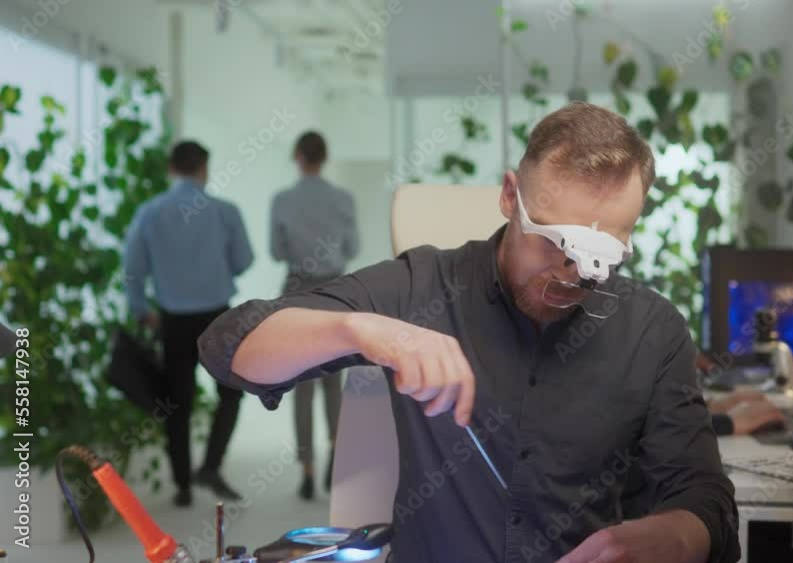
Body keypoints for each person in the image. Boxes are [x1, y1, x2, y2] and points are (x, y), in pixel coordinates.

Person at [199, 103, 740, 563]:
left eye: (599, 257)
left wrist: (671, 536)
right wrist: (360, 329)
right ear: (509, 196)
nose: (571, 274)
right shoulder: (424, 288)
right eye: (553, 243)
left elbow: (707, 500)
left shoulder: (650, 330)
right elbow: (229, 347)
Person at [125, 140, 254, 507]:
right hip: (218, 317)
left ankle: (182, 485)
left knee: (176, 403)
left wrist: (140, 309)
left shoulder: (150, 213)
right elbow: (243, 260)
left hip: (173, 320)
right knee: (230, 393)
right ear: (203, 169)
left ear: (171, 169)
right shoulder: (225, 211)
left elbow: (133, 269)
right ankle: (210, 467)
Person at [270, 131, 359, 500]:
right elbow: (352, 248)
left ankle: (306, 469)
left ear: (297, 157)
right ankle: (337, 452)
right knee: (333, 380)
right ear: (324, 157)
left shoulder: (282, 200)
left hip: (297, 289)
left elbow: (276, 251)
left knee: (302, 384)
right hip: (335, 289)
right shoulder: (343, 199)